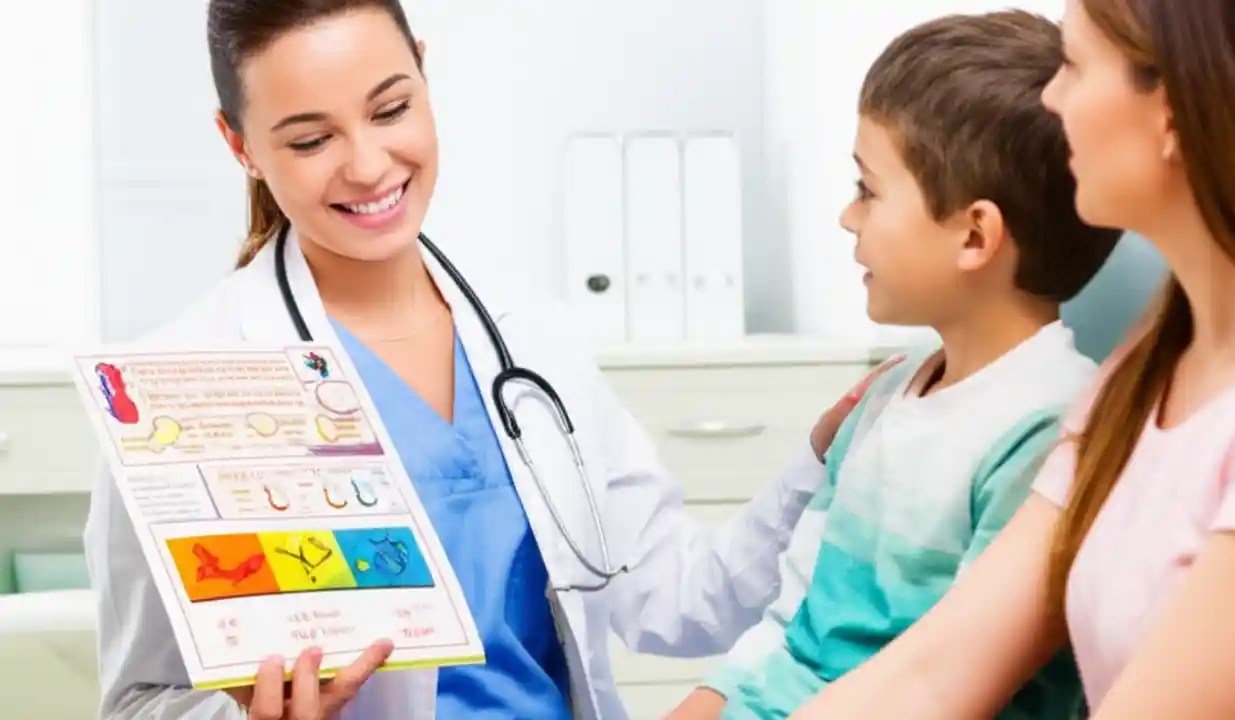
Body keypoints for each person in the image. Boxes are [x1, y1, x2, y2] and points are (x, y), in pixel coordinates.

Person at [81, 2, 868, 718]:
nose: (366, 164)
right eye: (312, 139)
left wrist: (815, 467)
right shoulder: (182, 385)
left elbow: (679, 598)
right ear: (240, 145)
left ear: (424, 74)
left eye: (391, 109)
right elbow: (137, 702)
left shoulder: (535, 338)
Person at [793, 0, 1235, 717]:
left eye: (1074, 67)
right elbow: (933, 674)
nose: (1051, 99)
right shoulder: (1143, 372)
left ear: (1174, 108)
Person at [666, 11, 1122, 719]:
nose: (848, 218)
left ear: (974, 236)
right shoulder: (886, 396)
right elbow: (788, 626)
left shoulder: (1045, 428)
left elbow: (961, 685)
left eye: (867, 190)